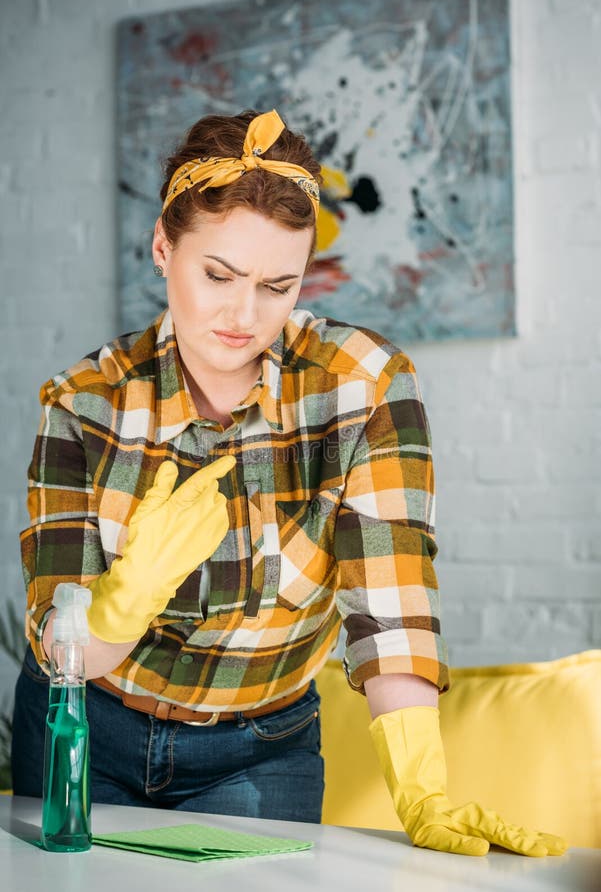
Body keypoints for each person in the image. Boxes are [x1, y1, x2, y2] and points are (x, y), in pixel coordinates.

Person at [12, 109, 566, 857]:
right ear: (161, 247)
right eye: (217, 275)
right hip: (84, 726)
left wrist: (423, 790)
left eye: (278, 285)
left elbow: (388, 602)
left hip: (258, 747)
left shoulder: (361, 386)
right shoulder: (83, 402)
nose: (244, 314)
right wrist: (128, 593)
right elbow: (58, 648)